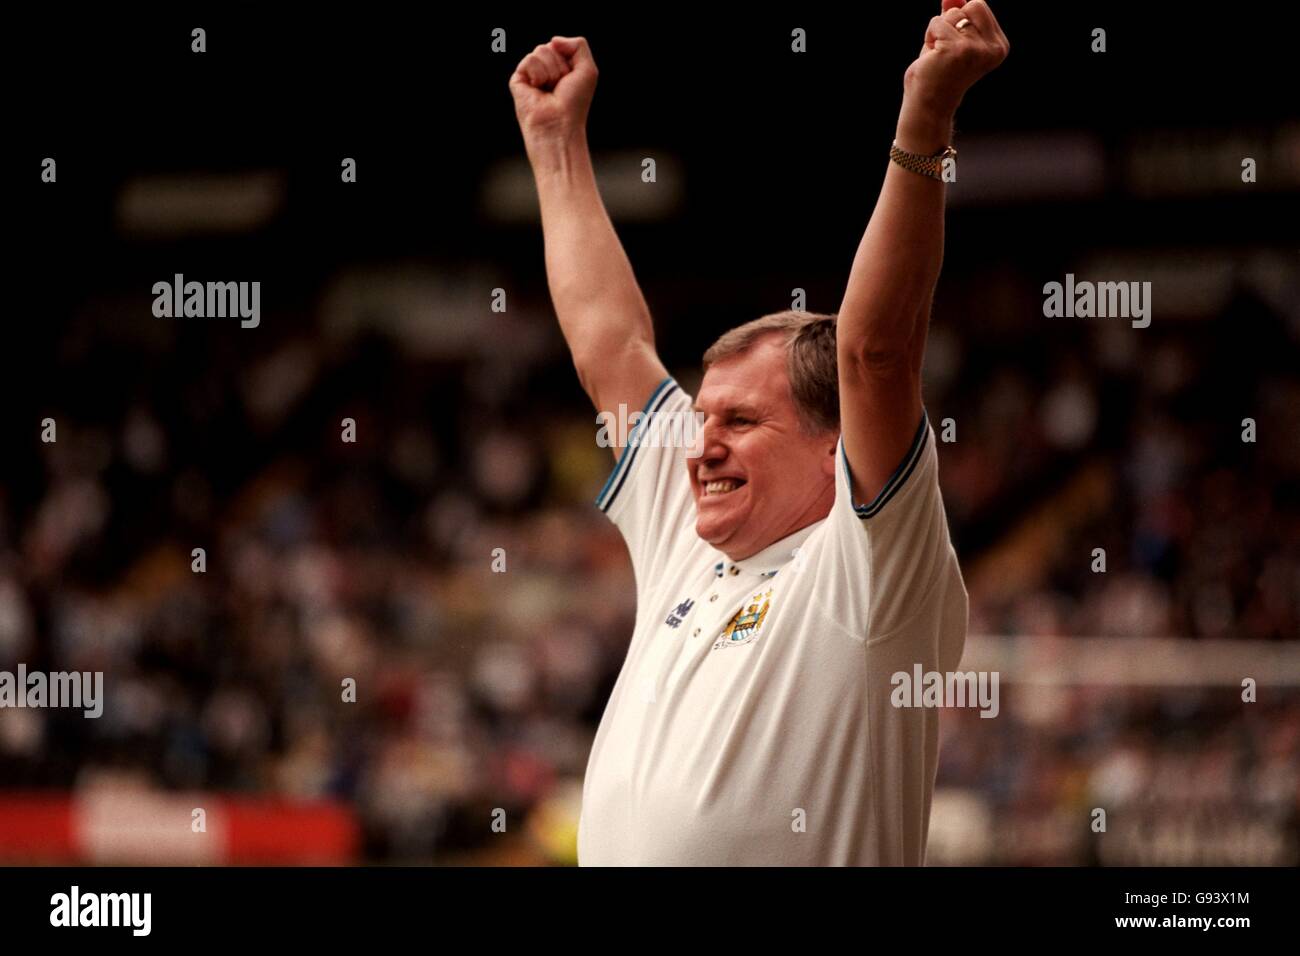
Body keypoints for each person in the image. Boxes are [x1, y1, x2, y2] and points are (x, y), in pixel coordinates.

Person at [509, 0, 1009, 865]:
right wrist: (555, 146)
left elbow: (876, 353)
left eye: (741, 420)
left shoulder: (870, 570)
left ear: (834, 445)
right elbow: (610, 344)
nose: (701, 445)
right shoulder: (693, 536)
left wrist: (926, 119)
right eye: (703, 417)